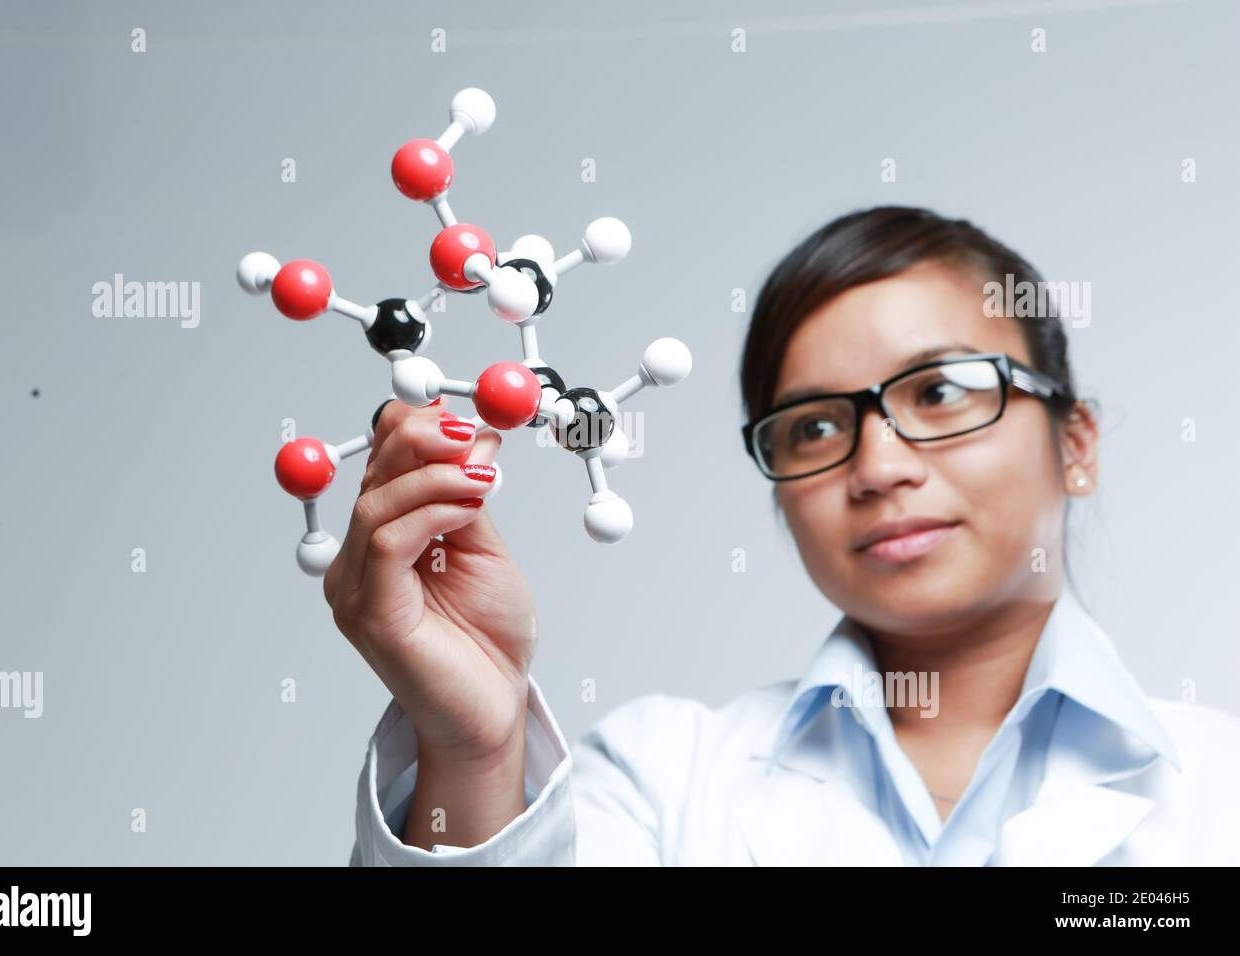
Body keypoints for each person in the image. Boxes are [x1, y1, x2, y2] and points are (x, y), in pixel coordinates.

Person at [330, 205, 1240, 866]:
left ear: (1074, 443)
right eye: (813, 426)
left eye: (940, 391)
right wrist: (475, 749)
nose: (878, 465)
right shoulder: (659, 780)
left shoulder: (1220, 789)